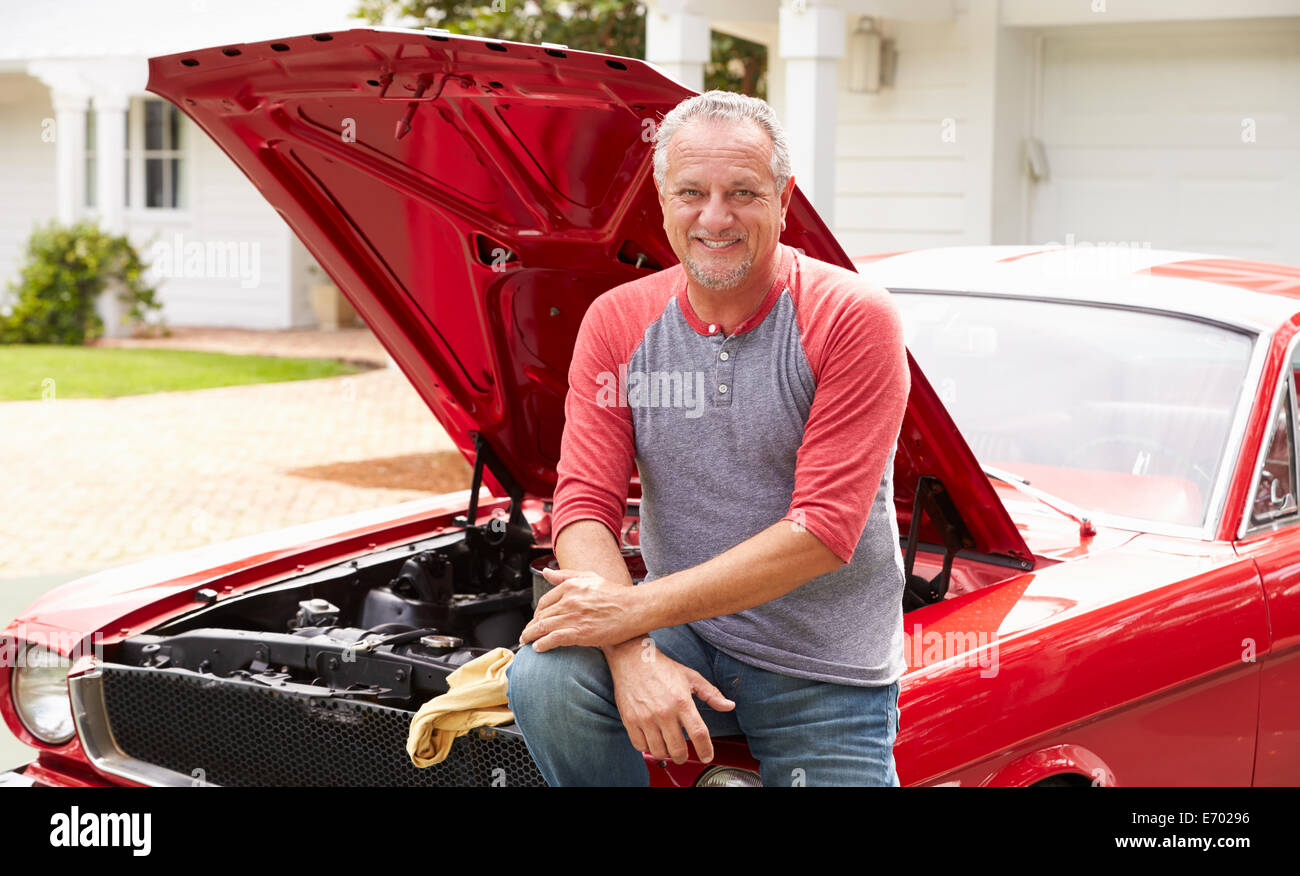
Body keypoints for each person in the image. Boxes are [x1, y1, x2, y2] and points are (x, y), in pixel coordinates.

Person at [504, 89, 912, 787]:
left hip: (823, 665)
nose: (715, 217)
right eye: (691, 191)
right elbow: (582, 507)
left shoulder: (851, 317)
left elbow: (822, 531)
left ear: (784, 199)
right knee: (545, 677)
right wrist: (630, 648)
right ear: (661, 198)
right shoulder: (617, 322)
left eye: (744, 193)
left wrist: (628, 609)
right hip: (685, 631)